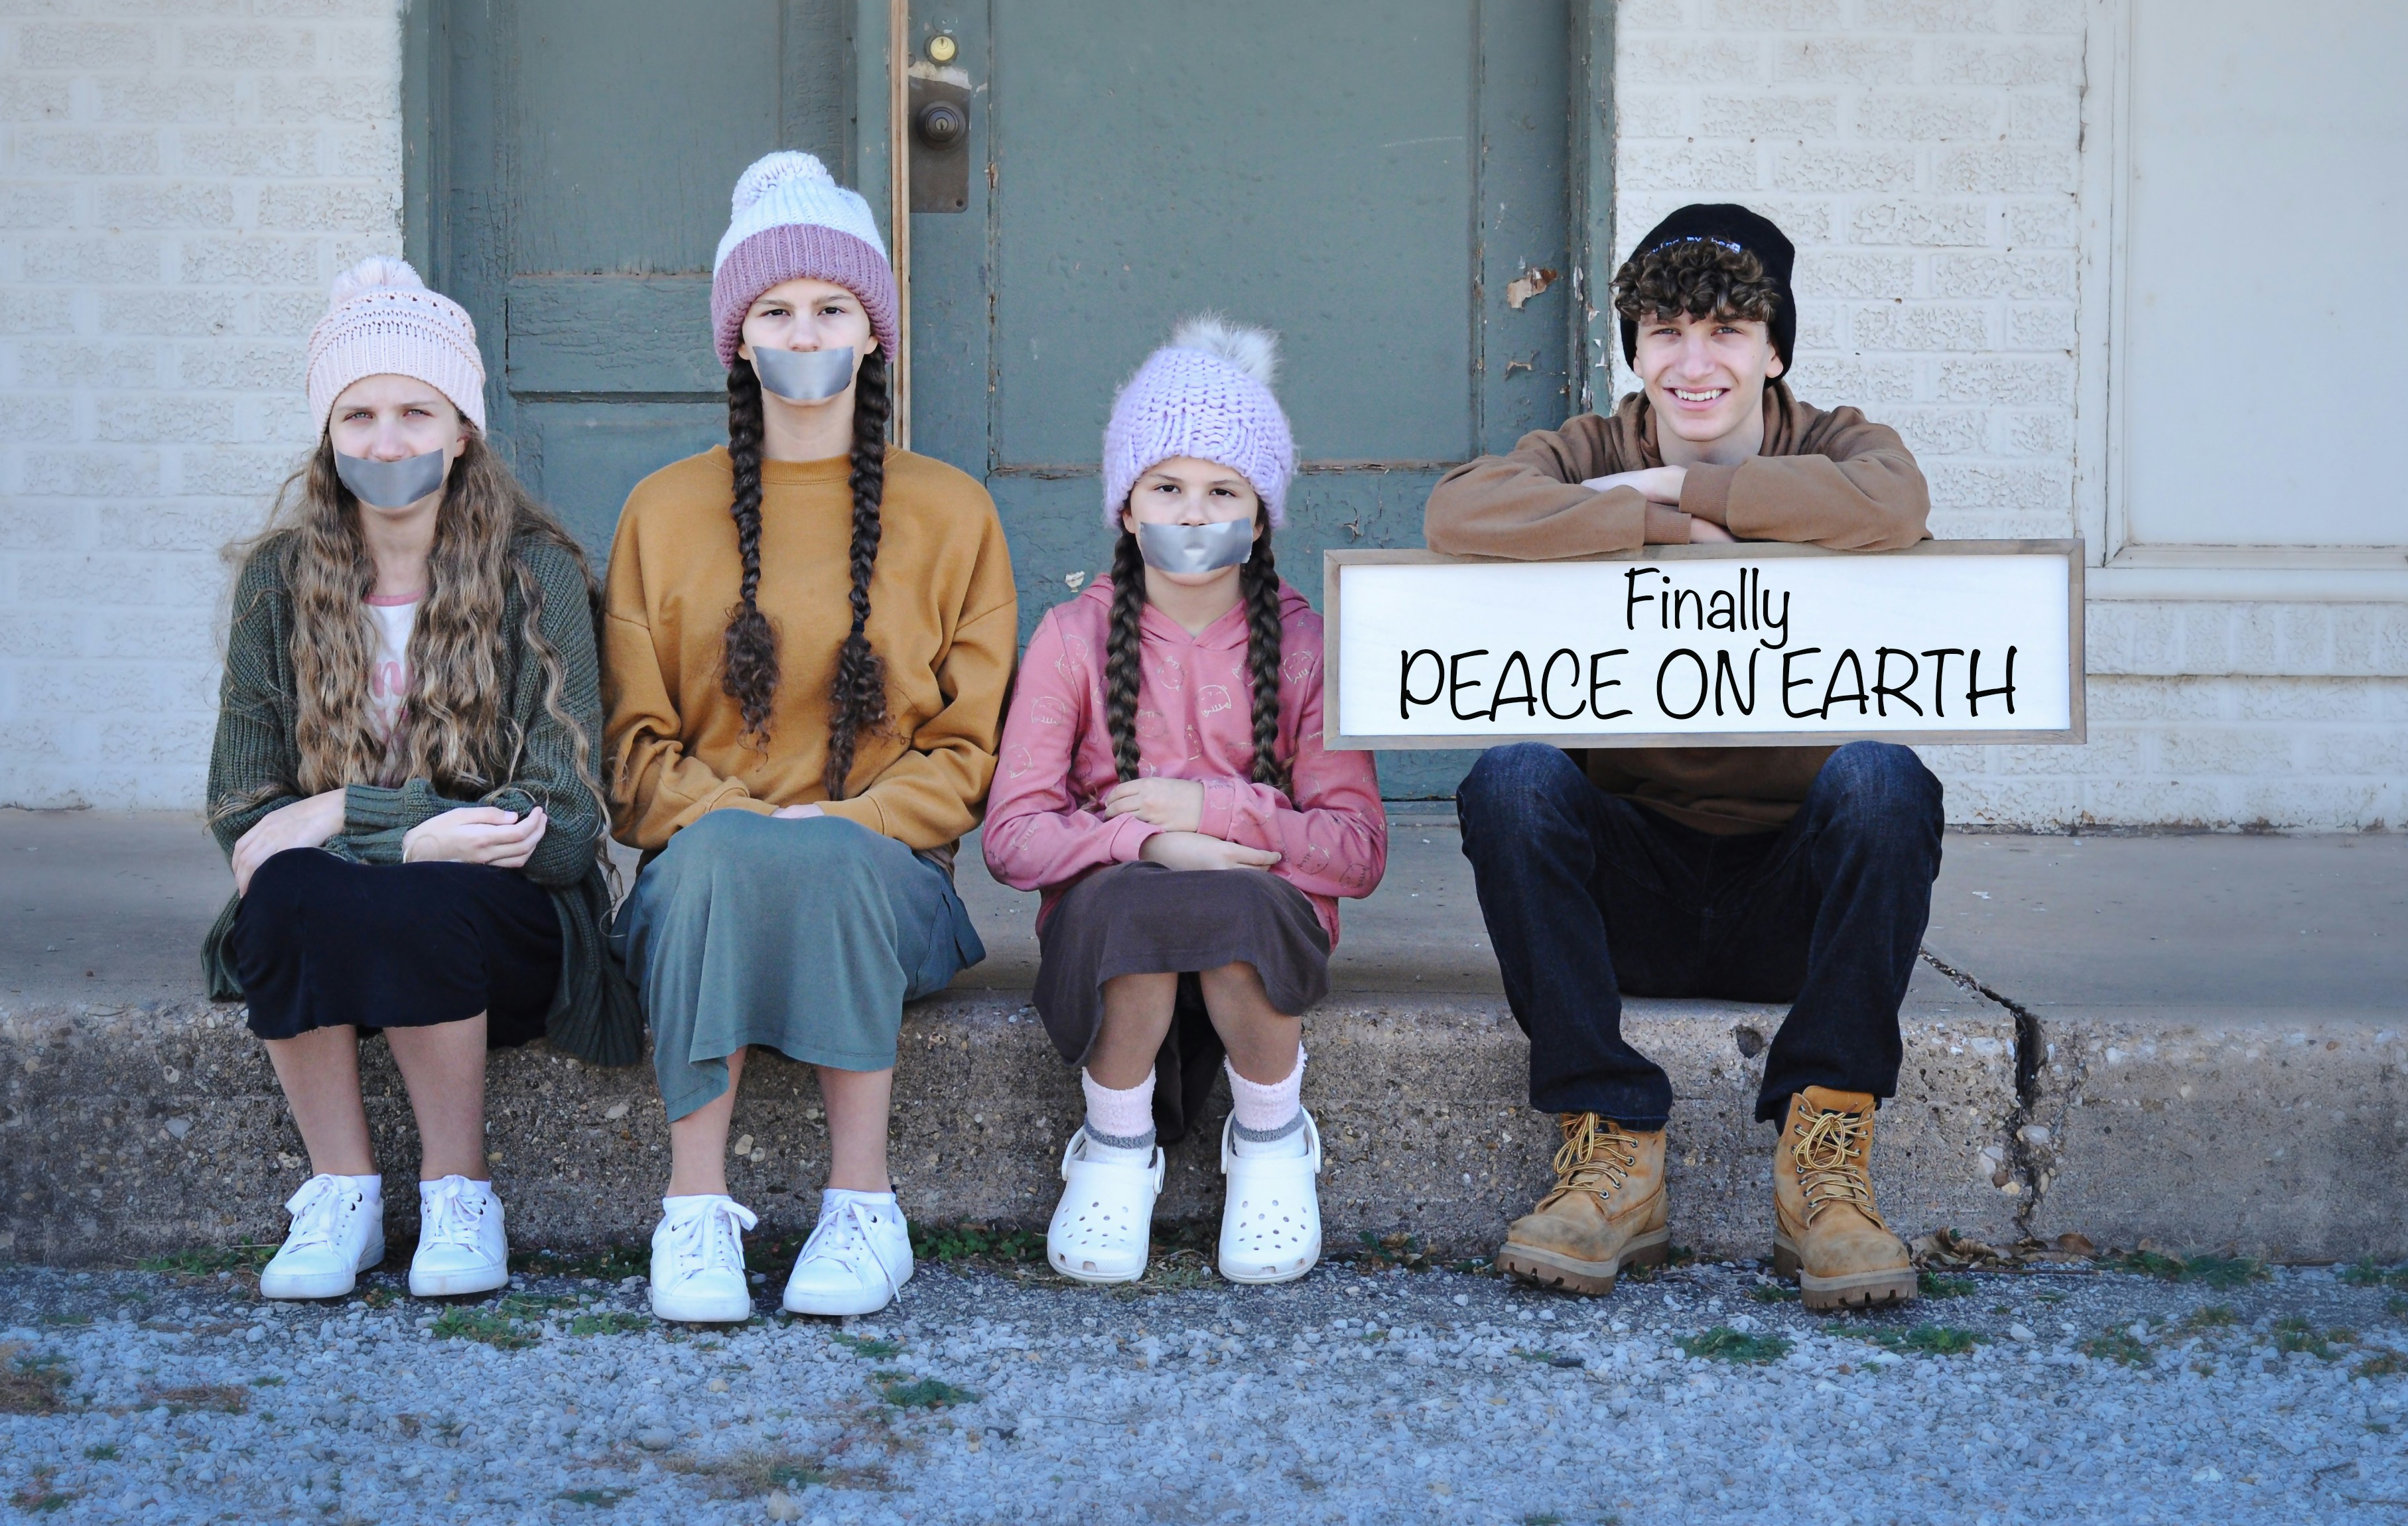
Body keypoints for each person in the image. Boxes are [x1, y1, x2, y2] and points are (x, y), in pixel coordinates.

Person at [1424, 204, 1941, 1310]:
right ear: (1636, 351)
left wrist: (1681, 489)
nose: (1694, 363)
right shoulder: (1590, 448)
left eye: (1728, 333)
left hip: (1791, 894)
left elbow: (1894, 505)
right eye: (1665, 332)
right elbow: (1463, 510)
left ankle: (1825, 1169)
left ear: (1776, 351)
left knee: (1887, 779)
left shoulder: (1838, 442)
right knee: (1511, 777)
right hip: (1632, 892)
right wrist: (1656, 525)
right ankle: (1612, 1146)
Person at [603, 152, 1016, 1322]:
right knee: (733, 853)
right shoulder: (661, 511)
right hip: (703, 879)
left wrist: (845, 821)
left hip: (889, 881)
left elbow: (969, 753)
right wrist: (739, 820)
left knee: (825, 856)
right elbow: (632, 754)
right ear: (737, 339)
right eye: (776, 311)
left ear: (872, 332)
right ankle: (693, 1215)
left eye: (832, 307)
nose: (805, 330)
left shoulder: (952, 511)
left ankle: (862, 1209)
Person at [204, 258, 639, 1303]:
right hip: (346, 909)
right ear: (327, 434)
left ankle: (458, 1192)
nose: (386, 442)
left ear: (463, 430)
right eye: (358, 416)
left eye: (415, 412)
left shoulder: (534, 574)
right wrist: (410, 832)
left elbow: (568, 823)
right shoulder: (279, 579)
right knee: (288, 886)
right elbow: (248, 817)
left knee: (428, 896)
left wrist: (349, 813)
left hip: (506, 926)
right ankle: (341, 1192)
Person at [982, 318, 1386, 1287]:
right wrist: (1148, 844)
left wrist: (1210, 814)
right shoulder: (1073, 638)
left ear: (1261, 515)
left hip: (1261, 914)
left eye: (1223, 491)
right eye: (1167, 487)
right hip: (1118, 922)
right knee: (1135, 903)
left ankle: (1274, 1138)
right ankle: (1117, 1149)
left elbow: (1358, 849)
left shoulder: (1305, 644)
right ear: (1127, 507)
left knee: (1239, 904)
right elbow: (1011, 836)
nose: (1194, 513)